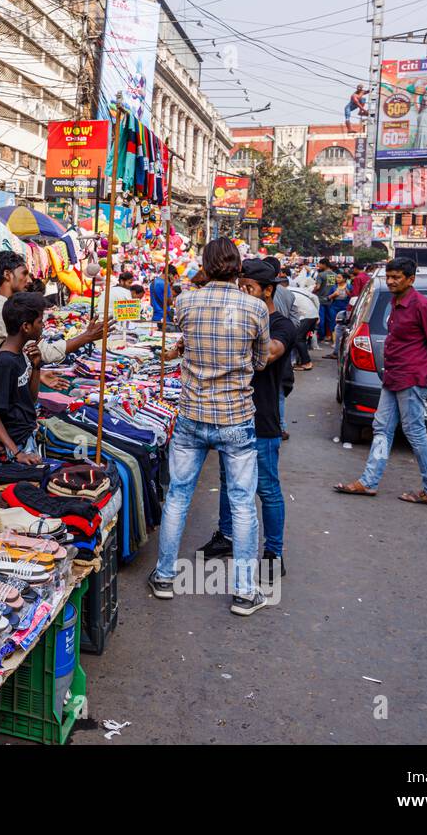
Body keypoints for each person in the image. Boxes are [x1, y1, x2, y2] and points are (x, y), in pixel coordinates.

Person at [149, 238, 271, 617]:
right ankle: (245, 592)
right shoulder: (255, 308)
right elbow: (262, 361)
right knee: (242, 503)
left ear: (205, 264)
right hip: (235, 416)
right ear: (238, 267)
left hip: (193, 415)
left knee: (179, 496)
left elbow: (181, 340)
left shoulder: (185, 301)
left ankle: (165, 577)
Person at [197, 259, 298, 577]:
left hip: (262, 419)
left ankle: (273, 553)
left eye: (248, 289)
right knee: (228, 483)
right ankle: (226, 537)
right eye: (239, 287)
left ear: (268, 291)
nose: (241, 294)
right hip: (229, 415)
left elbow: (268, 355)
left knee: (267, 488)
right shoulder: (236, 319)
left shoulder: (281, 325)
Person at [334, 256, 427, 505]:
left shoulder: (422, 306)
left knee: (414, 432)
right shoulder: (395, 302)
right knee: (381, 428)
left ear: (411, 279)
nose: (391, 281)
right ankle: (368, 482)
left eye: (397, 277)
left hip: (411, 376)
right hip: (393, 375)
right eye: (389, 277)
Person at [0, 251, 108, 402]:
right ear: (7, 275)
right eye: (24, 274)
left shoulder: (9, 308)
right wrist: (87, 336)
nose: (29, 280)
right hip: (5, 403)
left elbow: (34, 352)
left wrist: (36, 374)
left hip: (13, 399)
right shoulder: (2, 312)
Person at [0, 293, 46, 465]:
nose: (43, 326)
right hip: (15, 442)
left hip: (25, 435)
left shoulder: (19, 353)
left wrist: (36, 366)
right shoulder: (5, 362)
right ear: (26, 326)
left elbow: (30, 399)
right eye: (40, 321)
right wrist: (17, 452)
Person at [287, 278, 320, 371]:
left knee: (298, 338)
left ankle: (307, 362)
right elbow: (315, 298)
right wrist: (317, 313)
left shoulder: (285, 293)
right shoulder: (298, 289)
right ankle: (301, 359)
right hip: (312, 314)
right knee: (301, 337)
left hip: (305, 315)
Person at [324, 272, 351, 359]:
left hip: (344, 308)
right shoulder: (334, 287)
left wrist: (349, 293)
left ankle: (342, 342)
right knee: (333, 323)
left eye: (339, 278)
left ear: (344, 279)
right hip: (334, 307)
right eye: (337, 278)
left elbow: (353, 298)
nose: (337, 279)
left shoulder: (349, 286)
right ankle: (335, 342)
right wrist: (333, 295)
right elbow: (328, 297)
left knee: (344, 325)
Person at [315, 258, 338, 342]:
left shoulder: (321, 275)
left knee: (321, 318)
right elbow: (331, 287)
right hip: (330, 299)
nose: (318, 266)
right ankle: (329, 335)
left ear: (324, 264)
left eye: (319, 264)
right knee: (330, 318)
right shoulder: (334, 275)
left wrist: (312, 291)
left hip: (321, 299)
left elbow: (318, 287)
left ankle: (321, 335)